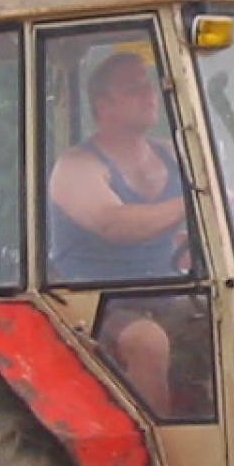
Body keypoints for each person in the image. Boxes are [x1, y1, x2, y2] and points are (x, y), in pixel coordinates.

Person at [48, 51, 192, 413]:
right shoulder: (77, 166)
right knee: (147, 342)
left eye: (150, 86)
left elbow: (228, 206)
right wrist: (199, 203)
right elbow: (116, 224)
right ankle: (161, 461)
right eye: (134, 89)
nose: (150, 96)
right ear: (103, 104)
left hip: (168, 292)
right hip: (96, 301)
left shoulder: (172, 155)